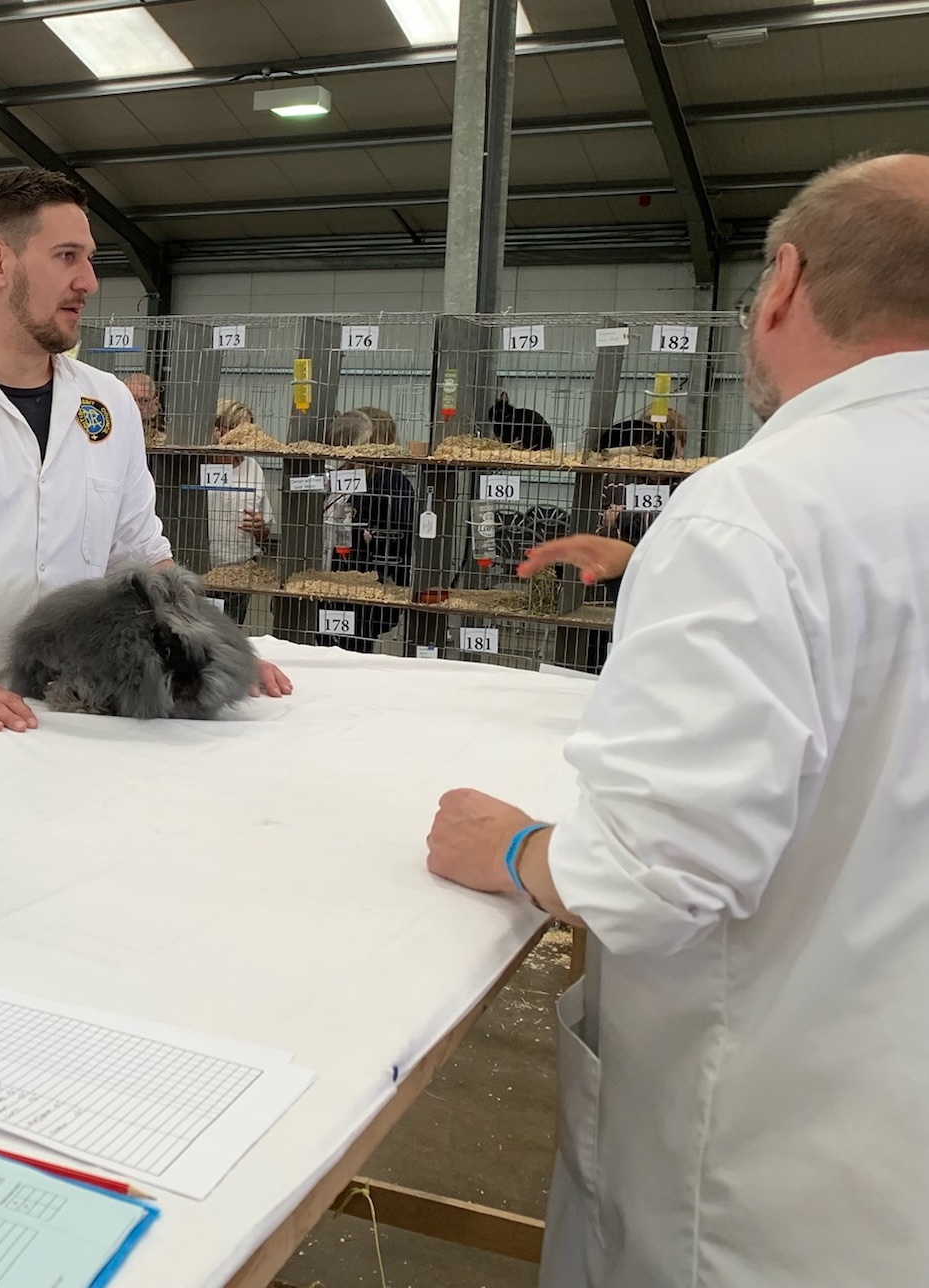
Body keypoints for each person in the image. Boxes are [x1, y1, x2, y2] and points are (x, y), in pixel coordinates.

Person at [424, 152, 929, 1287]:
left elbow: (654, 880)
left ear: (782, 283)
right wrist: (657, 571)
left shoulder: (758, 507)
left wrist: (513, 846)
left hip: (767, 1166)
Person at [0, 169, 290, 748]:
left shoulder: (107, 403)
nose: (89, 281)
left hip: (55, 724)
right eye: (67, 256)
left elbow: (142, 556)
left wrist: (217, 651)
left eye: (89, 259)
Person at [322, 406, 414, 652]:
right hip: (327, 582)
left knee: (354, 651)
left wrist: (374, 536)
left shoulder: (391, 481)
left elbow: (401, 536)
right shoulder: (341, 472)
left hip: (363, 589)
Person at [204, 399, 275, 625]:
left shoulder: (253, 468)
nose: (245, 437)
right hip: (200, 570)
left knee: (231, 633)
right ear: (218, 430)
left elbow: (264, 534)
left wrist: (260, 528)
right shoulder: (196, 463)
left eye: (249, 430)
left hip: (239, 573)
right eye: (238, 430)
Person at [122, 372, 166, 445]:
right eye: (131, 400)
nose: (137, 406)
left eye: (144, 400)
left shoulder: (163, 433)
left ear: (155, 402)